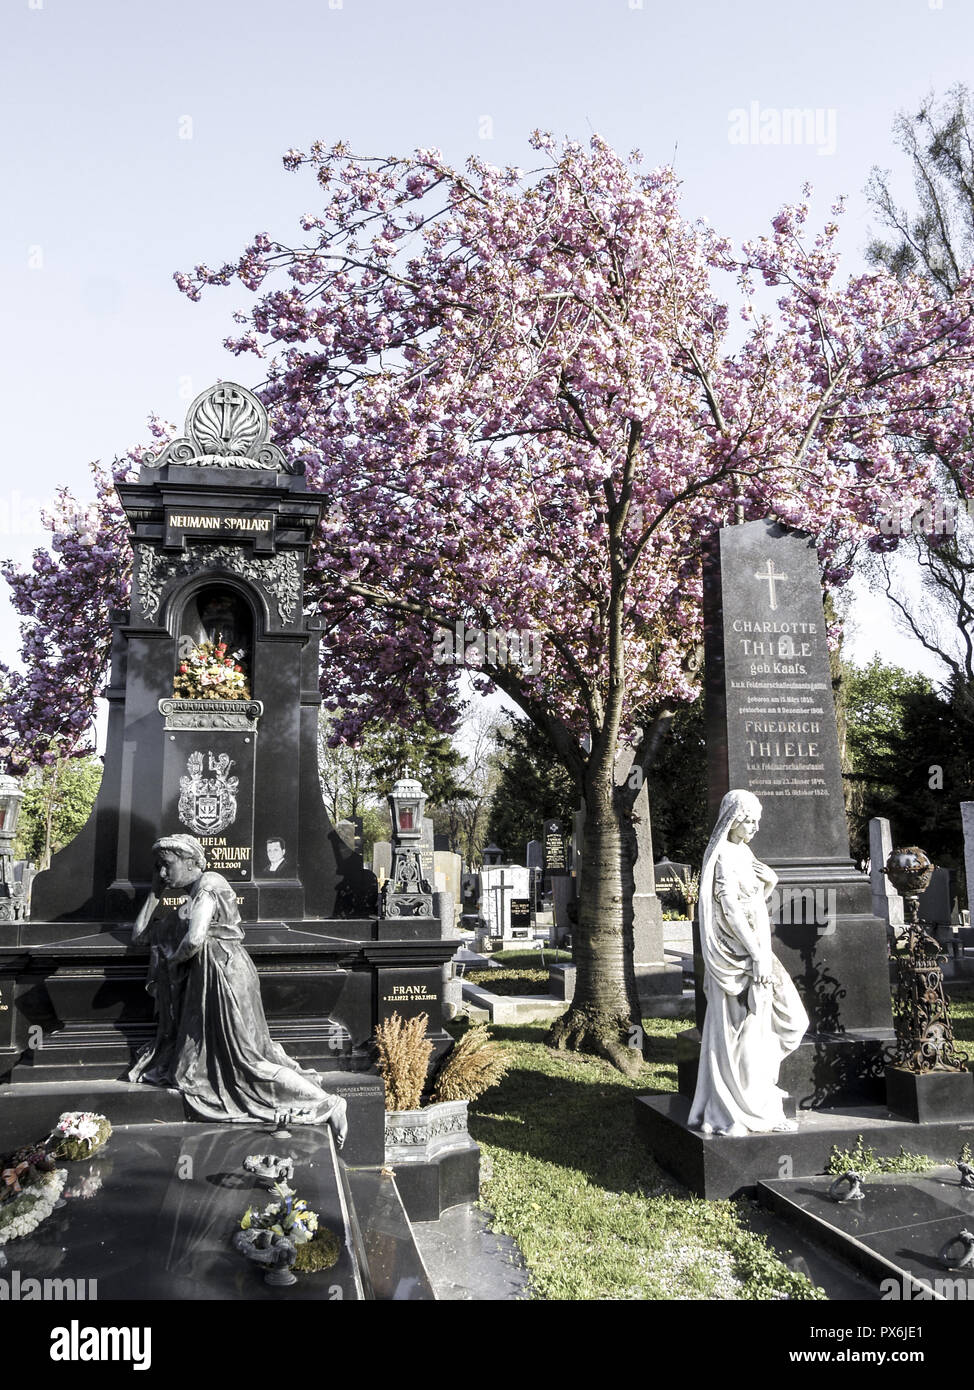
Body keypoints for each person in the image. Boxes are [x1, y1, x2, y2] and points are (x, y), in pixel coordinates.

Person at [129, 834, 347, 1146]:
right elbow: (139, 936)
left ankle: (328, 1103)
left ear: (191, 863)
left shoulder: (208, 886)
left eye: (166, 866)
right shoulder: (191, 897)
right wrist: (154, 891)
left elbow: (194, 939)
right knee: (244, 1059)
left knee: (250, 1060)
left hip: (225, 979)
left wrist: (176, 962)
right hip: (216, 977)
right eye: (158, 868)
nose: (162, 873)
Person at [688, 790, 808, 1137]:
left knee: (790, 1023)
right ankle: (750, 1108)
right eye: (749, 821)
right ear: (733, 820)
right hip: (740, 957)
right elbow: (730, 909)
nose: (755, 828)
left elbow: (752, 901)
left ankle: (759, 1095)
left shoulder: (743, 851)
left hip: (758, 952)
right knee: (746, 1034)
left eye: (757, 821)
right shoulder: (724, 855)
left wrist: (770, 883)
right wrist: (755, 953)